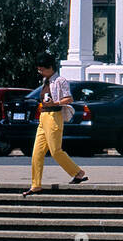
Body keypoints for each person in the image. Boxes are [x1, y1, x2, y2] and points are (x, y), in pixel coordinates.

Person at [22, 54, 87, 196]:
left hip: (54, 116)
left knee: (55, 151)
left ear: (50, 68)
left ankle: (77, 172)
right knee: (36, 153)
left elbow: (69, 98)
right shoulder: (45, 80)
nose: (40, 72)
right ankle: (35, 185)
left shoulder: (60, 81)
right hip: (43, 117)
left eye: (42, 70)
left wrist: (55, 103)